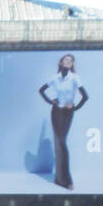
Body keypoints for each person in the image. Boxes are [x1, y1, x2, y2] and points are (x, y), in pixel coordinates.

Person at [37, 52, 88, 190]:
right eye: (66, 59)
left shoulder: (74, 78)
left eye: (71, 61)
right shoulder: (55, 78)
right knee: (58, 143)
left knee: (62, 142)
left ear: (72, 65)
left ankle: (67, 179)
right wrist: (51, 101)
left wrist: (74, 107)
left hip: (67, 113)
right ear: (61, 63)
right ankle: (59, 179)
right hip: (56, 112)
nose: (68, 62)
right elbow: (41, 90)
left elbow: (85, 96)